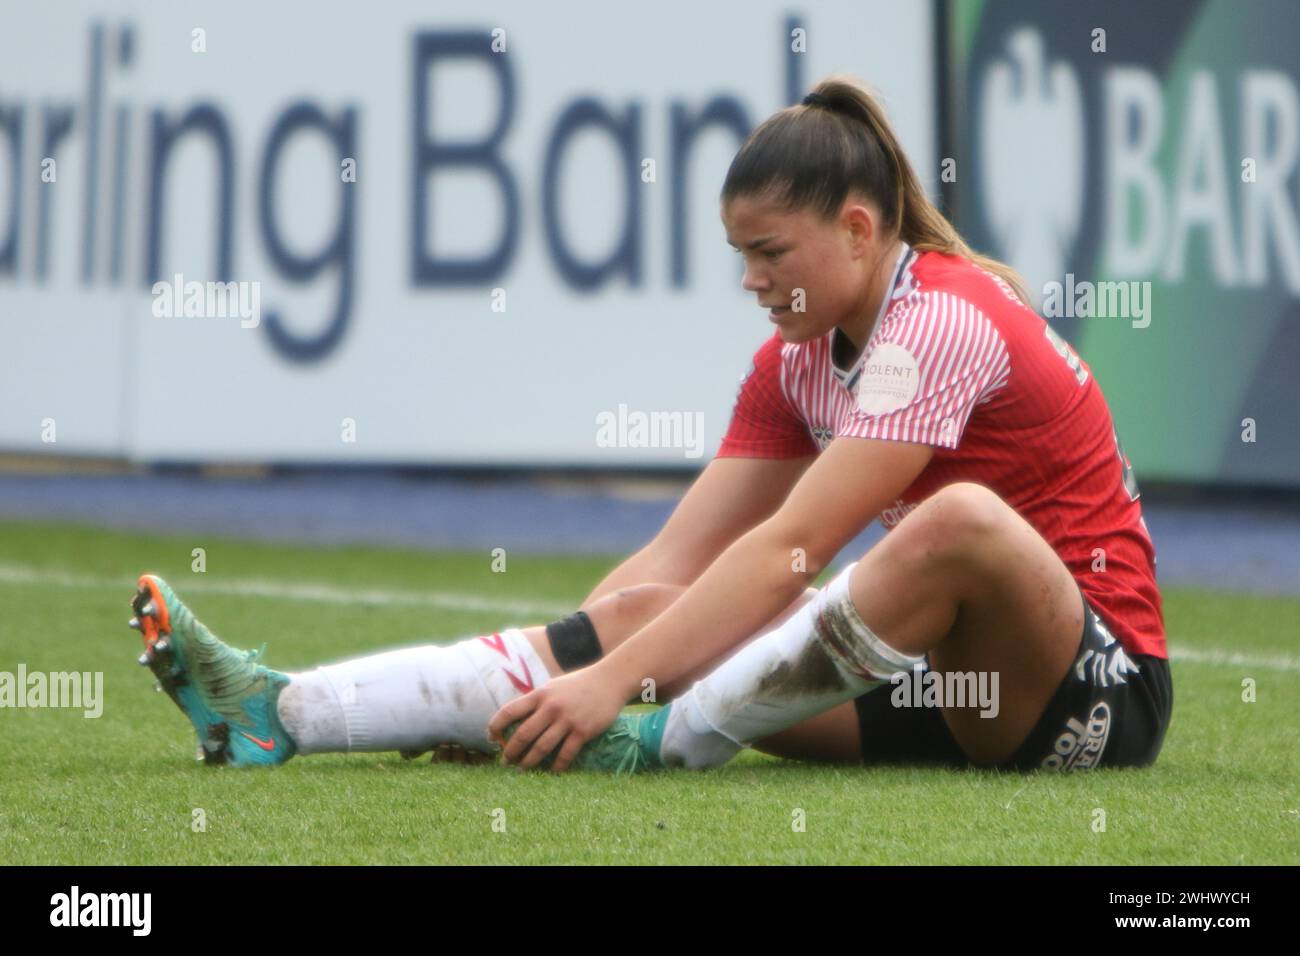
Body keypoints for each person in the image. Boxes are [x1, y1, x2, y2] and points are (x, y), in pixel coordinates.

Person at [126, 76, 1170, 776]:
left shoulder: (939, 317)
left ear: (858, 228)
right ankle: (280, 711)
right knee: (647, 608)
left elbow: (788, 551)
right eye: (739, 256)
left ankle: (664, 744)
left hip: (1089, 695)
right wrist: (558, 695)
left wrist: (619, 693)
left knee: (959, 524)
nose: (753, 282)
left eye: (771, 252)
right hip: (931, 689)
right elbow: (674, 559)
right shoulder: (794, 360)